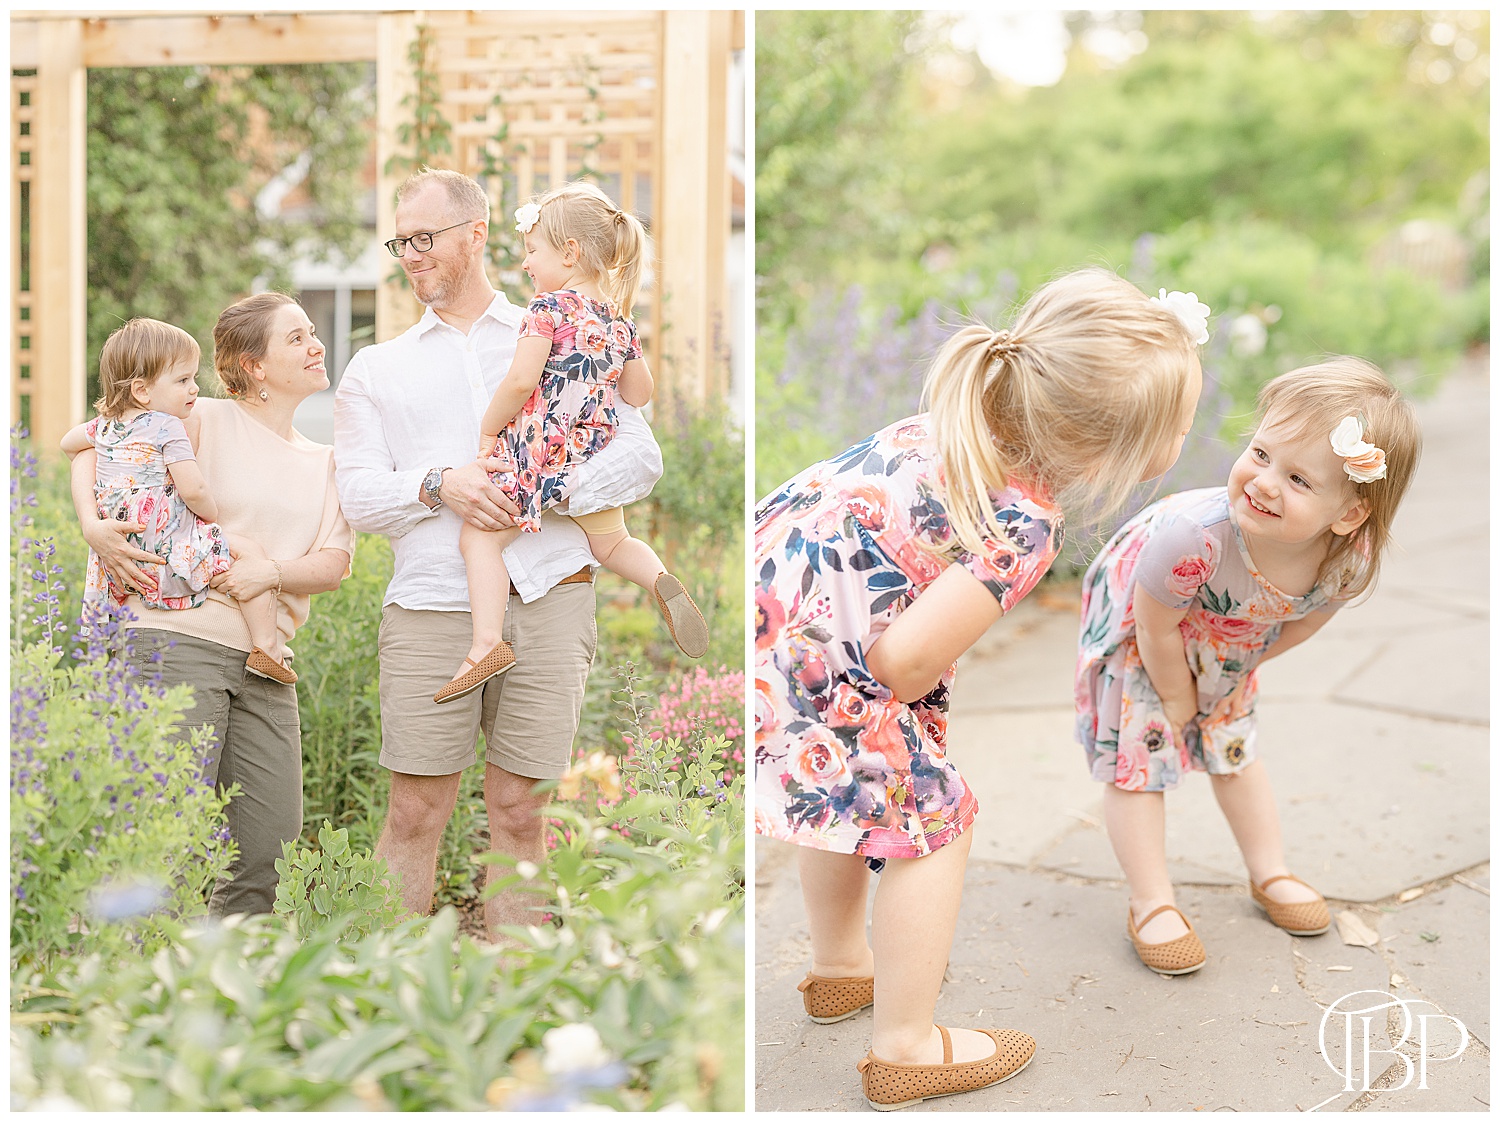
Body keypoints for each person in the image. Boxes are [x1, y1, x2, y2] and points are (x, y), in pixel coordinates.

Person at [754, 269, 1207, 1110]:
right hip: (827, 656)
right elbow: (905, 662)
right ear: (1120, 452)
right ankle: (906, 1047)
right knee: (933, 823)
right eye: (1181, 425)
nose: (1186, 436)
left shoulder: (953, 426)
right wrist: (906, 728)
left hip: (772, 622)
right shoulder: (1024, 520)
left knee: (841, 793)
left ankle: (840, 967)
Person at [332, 167, 664, 935]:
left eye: (424, 238)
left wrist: (542, 491)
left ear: (475, 235)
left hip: (551, 595)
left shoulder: (561, 327)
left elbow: (640, 454)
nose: (410, 255)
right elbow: (357, 496)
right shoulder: (376, 369)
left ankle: (524, 1005)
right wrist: (439, 484)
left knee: (523, 812)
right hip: (432, 607)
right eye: (400, 242)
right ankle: (383, 997)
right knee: (416, 810)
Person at [1075, 357, 1420, 976]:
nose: (1263, 483)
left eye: (1298, 479)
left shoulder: (1348, 562)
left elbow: (1305, 621)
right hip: (1148, 626)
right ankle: (1151, 901)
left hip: (1233, 638)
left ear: (1349, 515)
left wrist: (1235, 671)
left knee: (1233, 744)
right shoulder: (1193, 536)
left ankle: (1270, 871)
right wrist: (1179, 697)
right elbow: (1154, 625)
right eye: (1260, 454)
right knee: (1140, 756)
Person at [68, 292, 354, 916]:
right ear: (252, 364)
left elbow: (333, 564)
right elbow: (101, 443)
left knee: (269, 845)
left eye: (313, 334)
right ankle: (139, 996)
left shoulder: (326, 461)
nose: (316, 345)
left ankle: (232, 994)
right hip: (174, 640)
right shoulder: (203, 417)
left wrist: (266, 573)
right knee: (161, 841)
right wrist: (92, 524)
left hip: (267, 658)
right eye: (298, 337)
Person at [439, 180, 706, 704]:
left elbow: (519, 381)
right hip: (591, 456)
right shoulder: (617, 319)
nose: (526, 265)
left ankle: (486, 644)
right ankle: (659, 580)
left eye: (532, 252)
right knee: (610, 544)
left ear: (569, 252)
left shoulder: (547, 309)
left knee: (478, 539)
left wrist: (490, 430)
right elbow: (641, 392)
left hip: (539, 455)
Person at [61, 317, 294, 685]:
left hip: (126, 550)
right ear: (142, 390)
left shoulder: (104, 427)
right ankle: (266, 645)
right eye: (183, 380)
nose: (195, 388)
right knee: (249, 551)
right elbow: (194, 489)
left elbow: (68, 443)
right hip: (168, 542)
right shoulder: (167, 426)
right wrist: (209, 514)